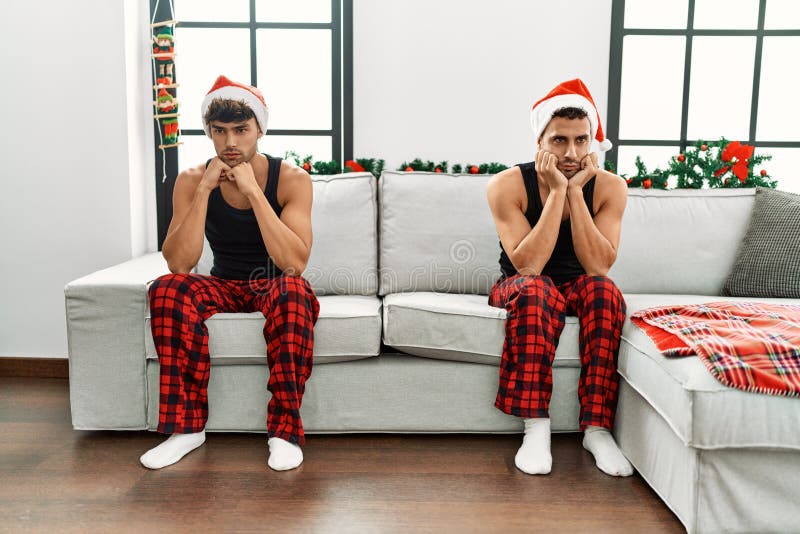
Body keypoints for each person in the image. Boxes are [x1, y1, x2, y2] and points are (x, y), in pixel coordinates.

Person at [140, 75, 319, 472]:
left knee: (294, 290)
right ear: (209, 132)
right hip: (222, 284)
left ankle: (284, 432)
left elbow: (294, 264)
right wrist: (204, 191)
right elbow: (180, 264)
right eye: (219, 132)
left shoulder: (291, 179)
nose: (230, 143)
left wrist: (254, 192)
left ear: (259, 130)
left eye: (241, 130)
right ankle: (185, 430)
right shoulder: (190, 179)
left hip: (272, 282)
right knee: (167, 289)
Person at [486, 79, 633, 476]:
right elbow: (528, 265)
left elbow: (598, 267)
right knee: (537, 290)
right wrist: (555, 193)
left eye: (582, 141)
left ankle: (597, 429)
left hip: (579, 283)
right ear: (540, 142)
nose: (571, 153)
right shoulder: (506, 185)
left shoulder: (610, 188)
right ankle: (536, 427)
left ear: (592, 142)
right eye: (559, 141)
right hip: (521, 284)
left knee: (605, 293)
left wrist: (576, 193)